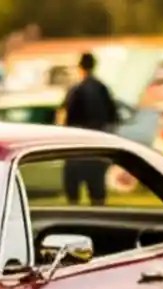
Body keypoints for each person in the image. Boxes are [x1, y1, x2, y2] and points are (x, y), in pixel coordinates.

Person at [58, 52, 119, 206]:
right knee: (97, 193)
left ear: (80, 67)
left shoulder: (76, 90)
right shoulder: (103, 89)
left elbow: (65, 118)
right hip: (97, 146)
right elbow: (113, 118)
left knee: (73, 194)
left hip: (77, 147)